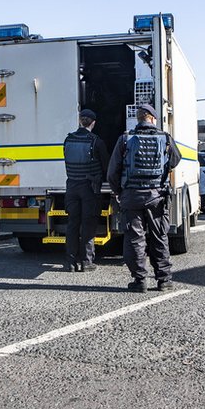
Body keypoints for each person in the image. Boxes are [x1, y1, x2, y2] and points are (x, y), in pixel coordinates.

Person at [107, 104, 181, 292]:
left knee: (135, 239)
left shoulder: (126, 138)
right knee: (159, 237)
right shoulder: (164, 138)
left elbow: (112, 171)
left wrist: (118, 192)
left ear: (138, 119)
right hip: (157, 196)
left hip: (131, 196)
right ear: (153, 119)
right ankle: (164, 280)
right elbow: (175, 159)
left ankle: (140, 281)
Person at [63, 108, 110, 272]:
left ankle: (70, 262)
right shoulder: (96, 141)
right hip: (89, 188)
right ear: (93, 123)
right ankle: (86, 262)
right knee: (88, 224)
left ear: (80, 121)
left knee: (73, 224)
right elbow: (106, 166)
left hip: (71, 187)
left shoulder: (68, 140)